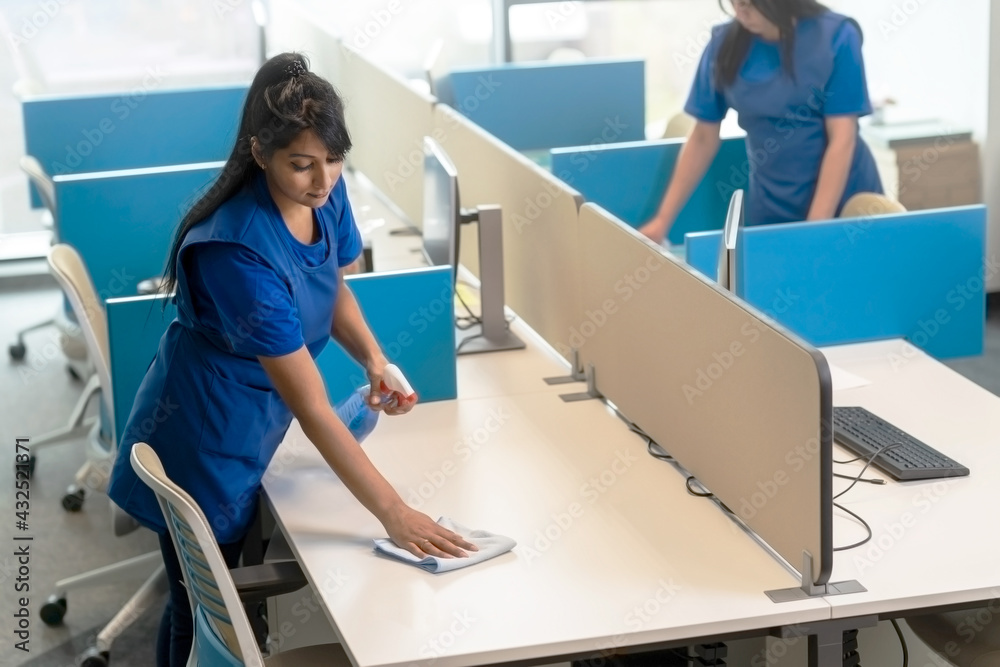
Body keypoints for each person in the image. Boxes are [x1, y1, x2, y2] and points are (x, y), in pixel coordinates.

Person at [106, 52, 477, 667]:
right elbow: (311, 407)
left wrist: (374, 359)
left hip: (253, 417)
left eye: (334, 160)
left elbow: (331, 283)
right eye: (302, 164)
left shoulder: (323, 195)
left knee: (220, 602)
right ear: (260, 153)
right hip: (202, 433)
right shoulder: (237, 251)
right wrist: (394, 511)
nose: (323, 180)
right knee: (201, 610)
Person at [640, 0, 883, 243]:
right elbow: (703, 136)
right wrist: (663, 220)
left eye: (748, 4)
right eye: (734, 3)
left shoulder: (836, 36)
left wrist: (815, 228)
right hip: (771, 204)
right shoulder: (724, 44)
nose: (740, 12)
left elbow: (842, 139)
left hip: (842, 203)